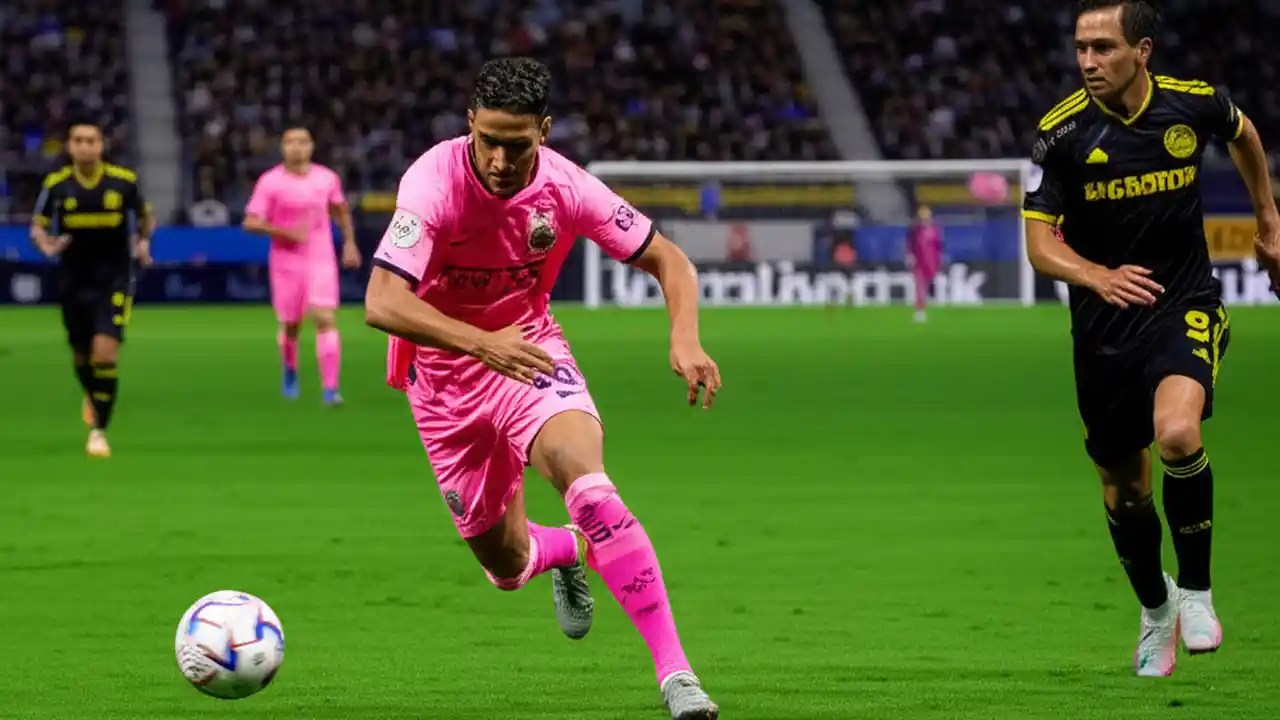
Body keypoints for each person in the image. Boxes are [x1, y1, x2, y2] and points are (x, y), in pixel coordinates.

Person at [363, 57, 722, 719]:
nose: (500, 160)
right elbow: (382, 301)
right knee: (505, 565)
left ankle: (677, 675)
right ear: (469, 124)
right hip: (444, 381)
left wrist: (685, 337)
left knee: (588, 484)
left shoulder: (567, 187)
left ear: (545, 131)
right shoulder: (432, 181)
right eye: (488, 141)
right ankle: (568, 551)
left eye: (517, 144)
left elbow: (667, 258)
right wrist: (481, 344)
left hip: (530, 354)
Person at [1022, 0, 1280, 677]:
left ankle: (1196, 593)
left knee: (1178, 434)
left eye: (1103, 48)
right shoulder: (1061, 133)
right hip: (1103, 327)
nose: (1088, 61)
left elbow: (1244, 132)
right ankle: (1156, 608)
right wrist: (1096, 275)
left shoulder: (1190, 105)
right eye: (1081, 47)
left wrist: (1268, 220)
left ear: (1142, 52)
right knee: (1124, 488)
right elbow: (1039, 246)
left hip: (1182, 303)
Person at [29, 119, 155, 458]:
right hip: (73, 279)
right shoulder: (57, 185)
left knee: (105, 352)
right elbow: (37, 226)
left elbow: (146, 216)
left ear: (101, 145)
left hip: (114, 278)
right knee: (82, 356)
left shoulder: (123, 182)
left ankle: (99, 430)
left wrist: (143, 241)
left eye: (91, 140)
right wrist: (46, 245)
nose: (85, 146)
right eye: (79, 140)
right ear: (70, 146)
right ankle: (92, 391)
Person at [242, 126, 361, 405]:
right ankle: (290, 369)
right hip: (286, 261)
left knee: (325, 318)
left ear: (311, 146)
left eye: (302, 141)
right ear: (283, 147)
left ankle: (331, 389)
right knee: (291, 324)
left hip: (320, 258)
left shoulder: (326, 178)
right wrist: (285, 232)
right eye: (290, 142)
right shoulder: (270, 182)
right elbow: (251, 221)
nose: (297, 147)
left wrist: (349, 243)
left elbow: (340, 210)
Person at [905, 205, 943, 322]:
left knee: (925, 285)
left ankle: (923, 306)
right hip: (919, 260)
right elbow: (910, 244)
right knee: (919, 285)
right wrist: (910, 256)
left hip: (931, 261)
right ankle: (920, 310)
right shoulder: (916, 229)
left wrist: (938, 259)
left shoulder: (935, 229)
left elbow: (938, 246)